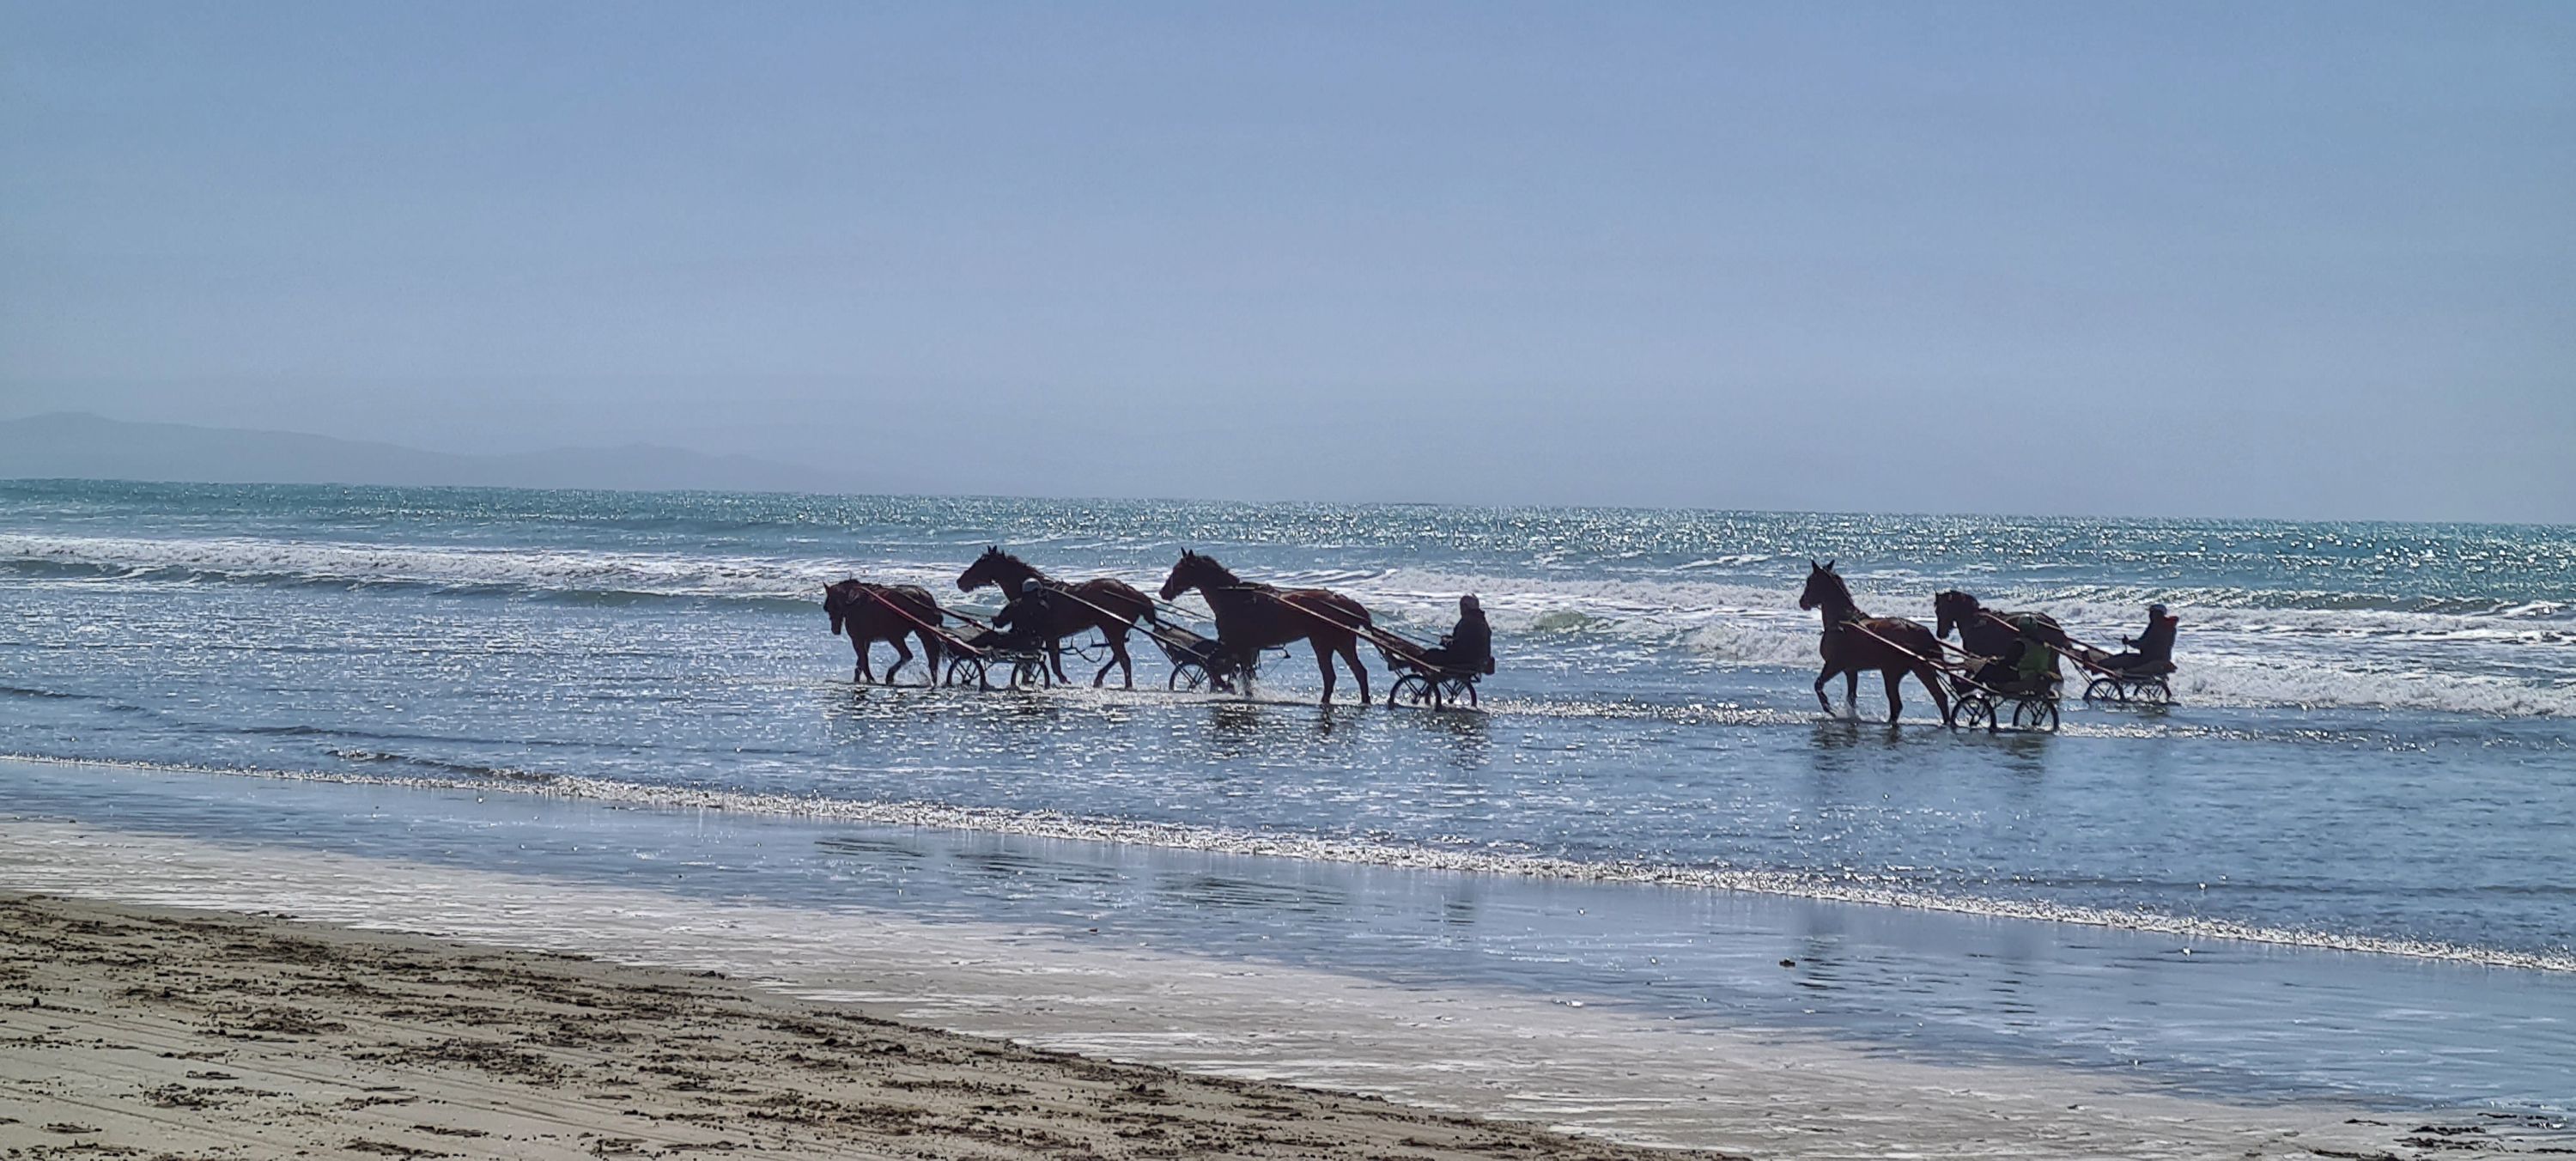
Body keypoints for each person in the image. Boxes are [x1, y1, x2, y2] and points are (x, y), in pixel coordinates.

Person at [1419, 594, 1494, 675]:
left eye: (1461, 606)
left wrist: (1446, 642)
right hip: (1476, 660)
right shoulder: (1480, 620)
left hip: (1465, 661)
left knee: (1430, 654)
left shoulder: (1469, 622)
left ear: (1465, 606)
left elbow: (1461, 646)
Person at [2102, 603, 2178, 675]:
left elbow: (2142, 644)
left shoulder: (2155, 627)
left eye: (2151, 613)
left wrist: (2128, 642)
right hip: (2161, 659)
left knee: (2117, 661)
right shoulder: (2170, 628)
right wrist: (2130, 642)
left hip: (2148, 660)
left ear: (2157, 614)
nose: (2150, 615)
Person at [992, 578, 1055, 650]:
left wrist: (995, 619)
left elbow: (1000, 624)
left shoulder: (1016, 605)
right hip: (1036, 643)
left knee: (988, 636)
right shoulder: (1044, 606)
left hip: (1016, 641)